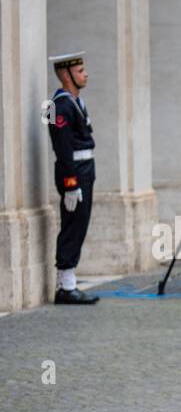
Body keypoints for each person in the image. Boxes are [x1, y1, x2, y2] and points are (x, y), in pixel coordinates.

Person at [46, 51, 99, 304]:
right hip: (73, 172)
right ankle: (65, 287)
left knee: (80, 223)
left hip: (84, 168)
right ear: (66, 76)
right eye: (79, 71)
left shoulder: (76, 101)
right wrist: (70, 183)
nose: (85, 74)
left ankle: (69, 283)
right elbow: (60, 147)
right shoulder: (55, 104)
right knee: (73, 225)